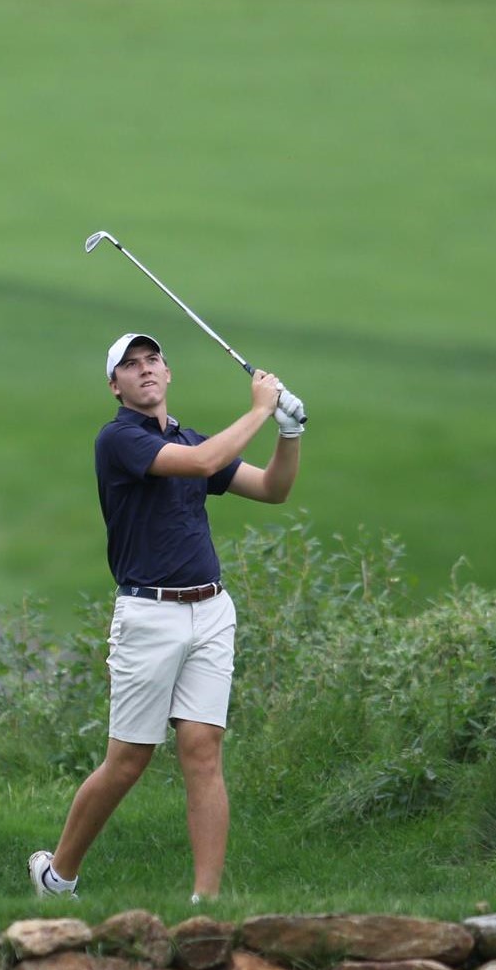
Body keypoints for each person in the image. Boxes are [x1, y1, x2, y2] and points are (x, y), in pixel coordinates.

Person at [30, 333, 302, 903]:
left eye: (152, 360)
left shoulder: (191, 437)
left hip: (210, 610)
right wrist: (258, 408)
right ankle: (59, 876)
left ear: (168, 373)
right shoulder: (119, 440)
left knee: (203, 752)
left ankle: (205, 905)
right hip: (148, 615)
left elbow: (273, 489)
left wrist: (288, 432)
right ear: (116, 386)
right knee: (127, 761)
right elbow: (203, 463)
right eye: (130, 366)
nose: (144, 370)